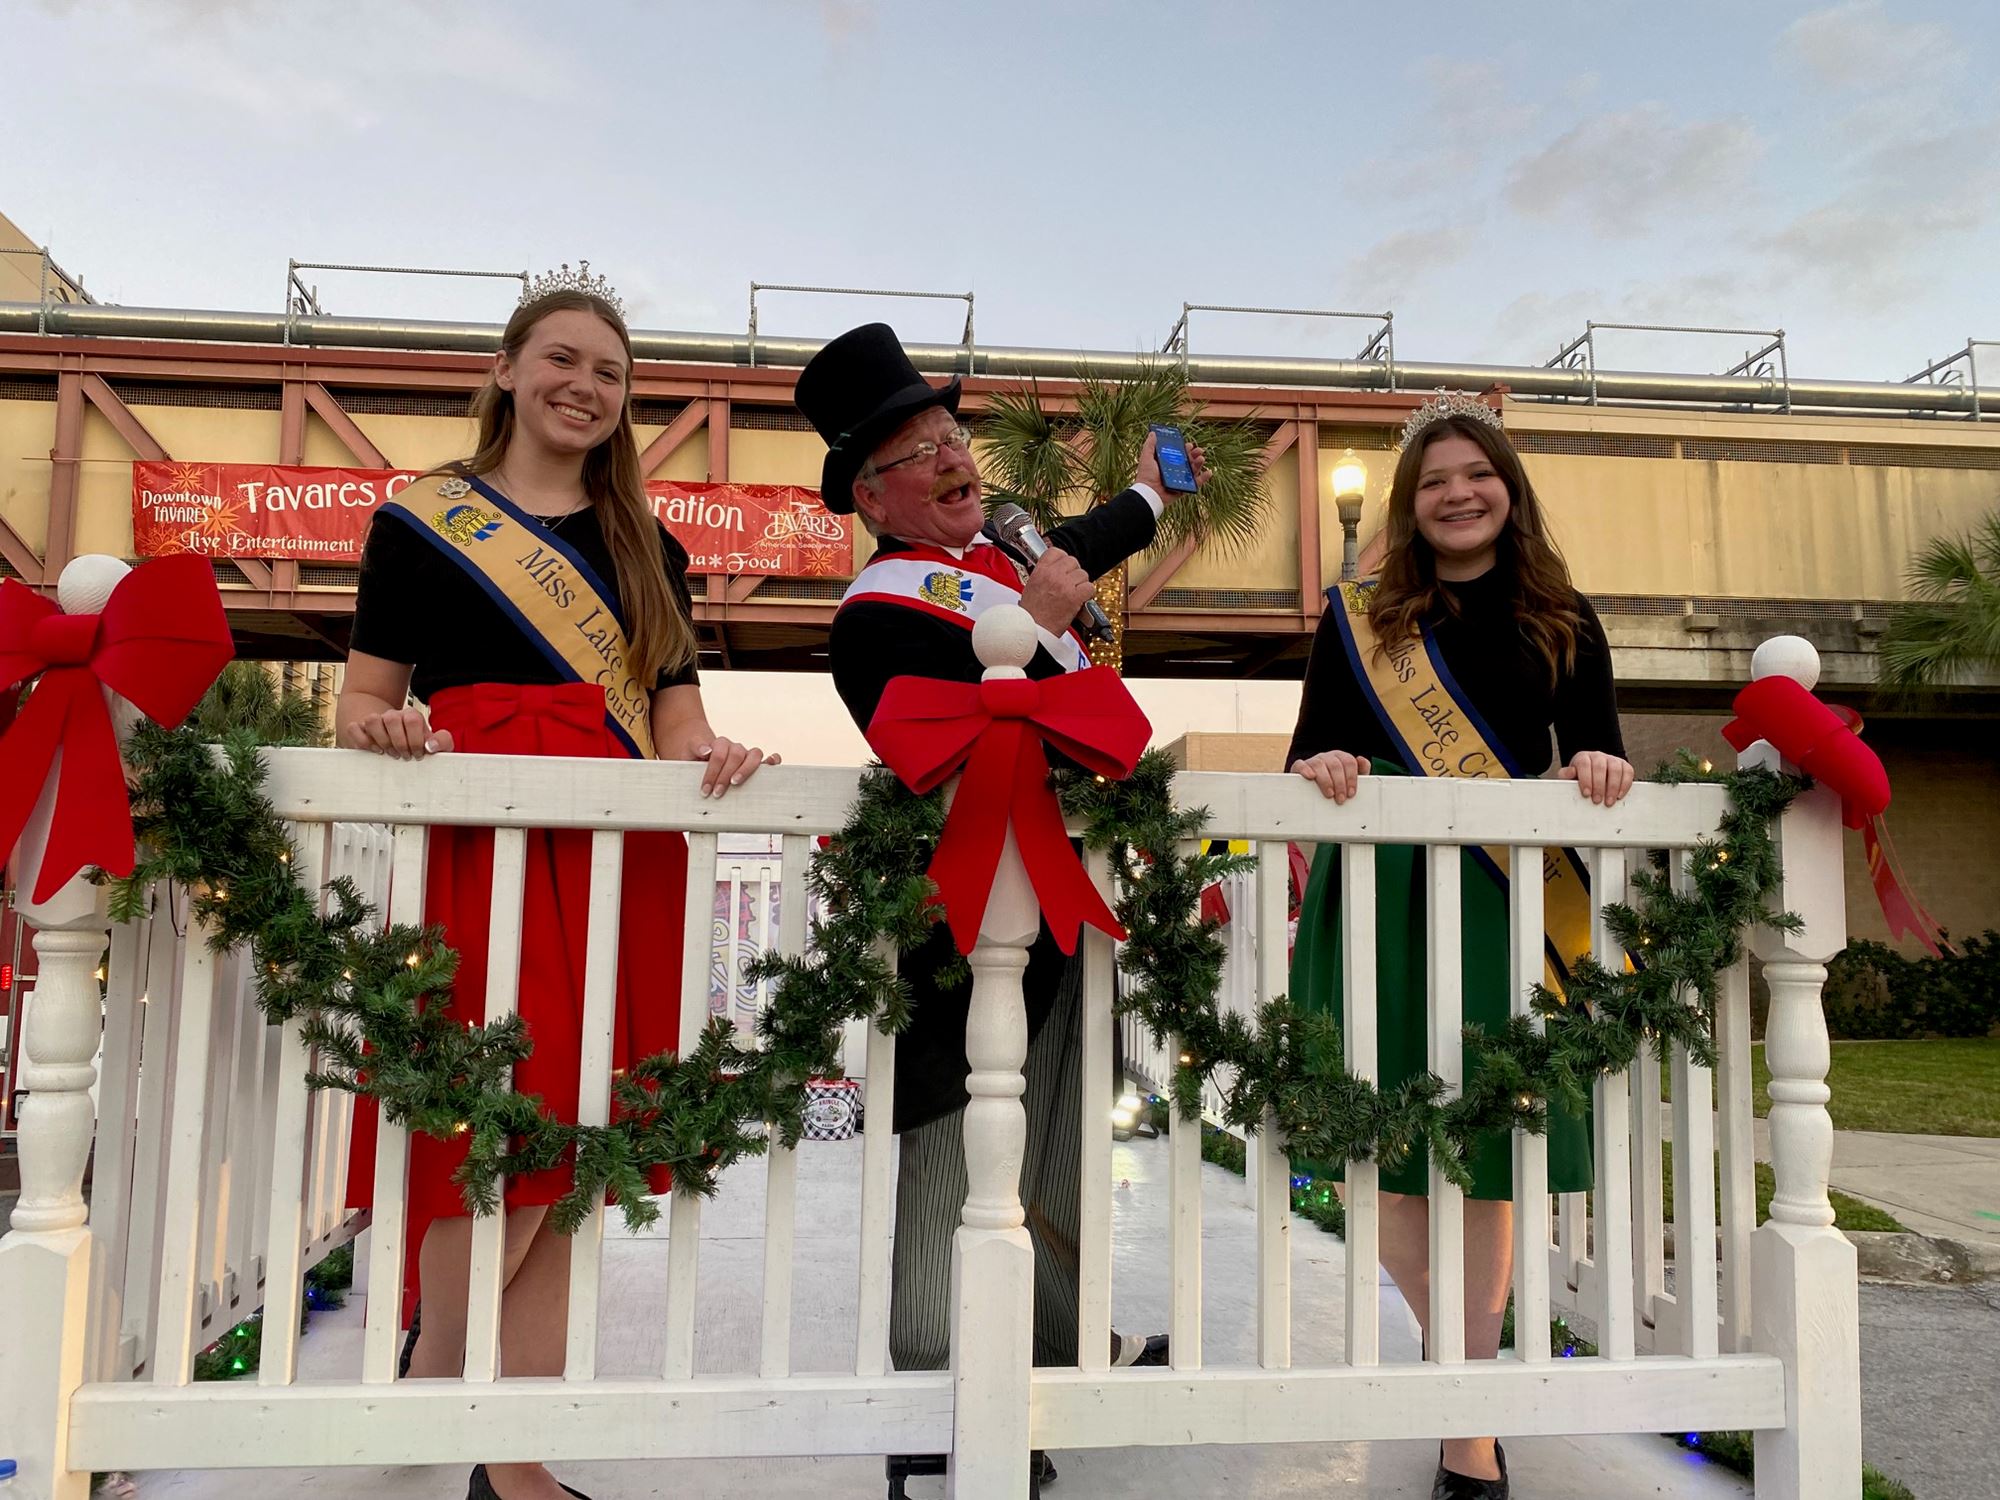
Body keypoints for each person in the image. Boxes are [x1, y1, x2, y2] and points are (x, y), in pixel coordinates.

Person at [335, 272, 776, 1500]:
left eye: (609, 373)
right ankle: (447, 1393)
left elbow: (678, 719)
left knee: (574, 1164)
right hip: (482, 855)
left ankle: (500, 1450)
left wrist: (716, 754)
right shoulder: (420, 522)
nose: (584, 386)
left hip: (614, 860)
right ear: (508, 371)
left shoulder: (646, 543)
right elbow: (361, 700)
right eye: (562, 360)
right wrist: (386, 733)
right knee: (496, 1137)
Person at [796, 323, 1197, 1489]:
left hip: (1065, 902)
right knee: (955, 1148)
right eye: (917, 448)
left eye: (948, 430)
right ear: (872, 494)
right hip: (958, 917)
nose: (950, 454)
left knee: (1063, 1139)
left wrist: (1153, 490)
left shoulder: (1002, 561)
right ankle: (933, 1395)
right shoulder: (873, 617)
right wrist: (1055, 622)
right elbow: (945, 747)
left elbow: (1094, 535)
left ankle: (1054, 1360)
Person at [1283, 392, 1634, 1500]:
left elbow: (1599, 757)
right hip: (1385, 899)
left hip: (1502, 909)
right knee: (1377, 1153)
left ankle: (1462, 1425)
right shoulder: (1359, 621)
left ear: (1506, 487)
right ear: (1409, 502)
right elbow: (1309, 753)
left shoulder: (1562, 615)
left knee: (1484, 1159)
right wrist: (1323, 768)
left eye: (1473, 473)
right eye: (1432, 480)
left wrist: (1594, 771)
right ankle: (1467, 1389)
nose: (1455, 493)